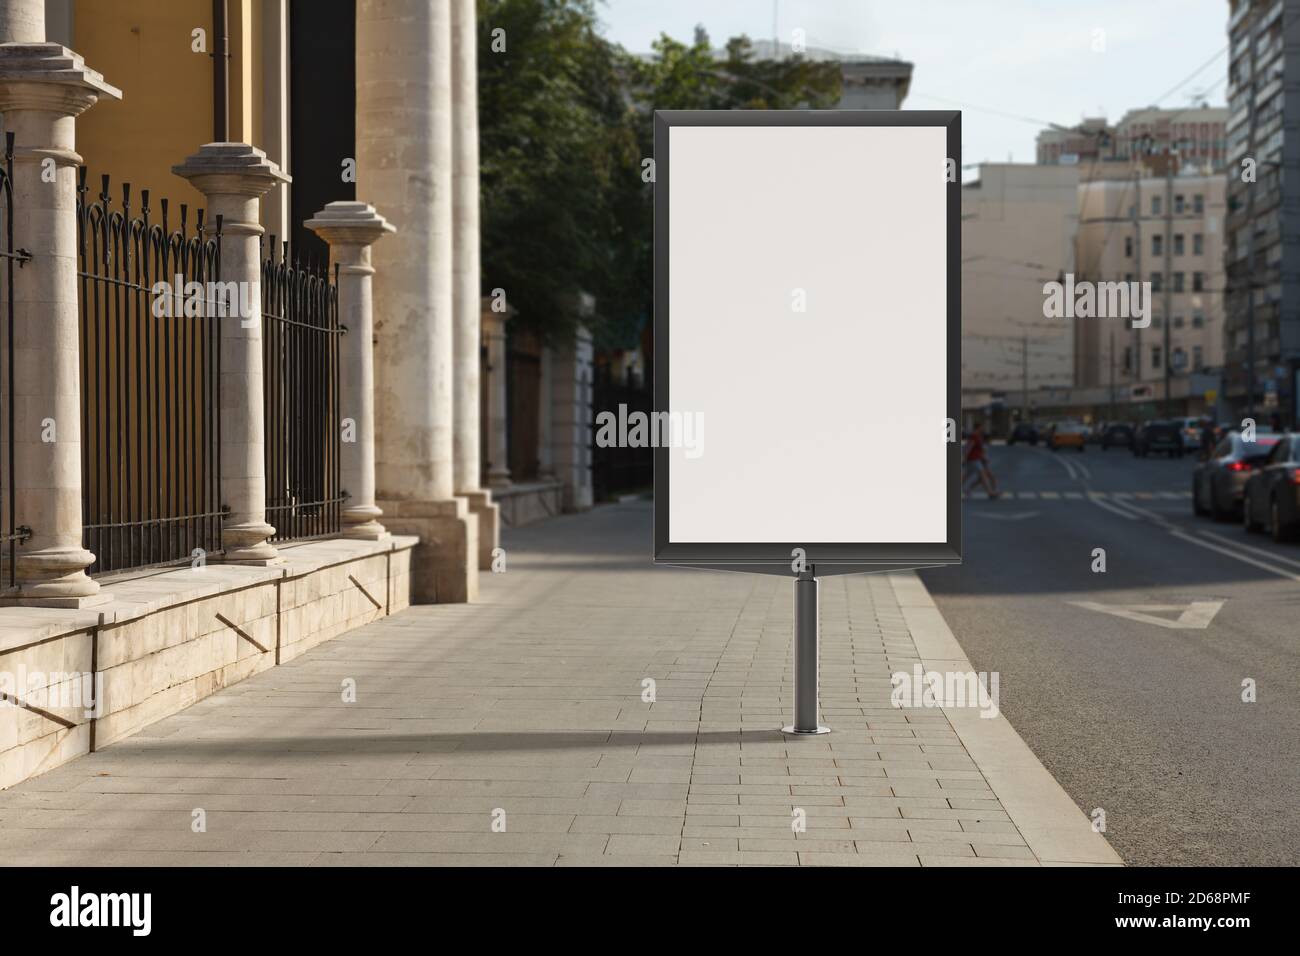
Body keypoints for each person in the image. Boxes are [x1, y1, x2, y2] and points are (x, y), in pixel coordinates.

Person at [962, 422, 1001, 498]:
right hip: (974, 459)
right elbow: (968, 447)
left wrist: (983, 458)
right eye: (982, 427)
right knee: (982, 475)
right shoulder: (974, 436)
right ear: (978, 428)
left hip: (976, 459)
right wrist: (964, 457)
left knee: (966, 476)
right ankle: (990, 493)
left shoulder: (978, 436)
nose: (983, 429)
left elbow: (978, 449)